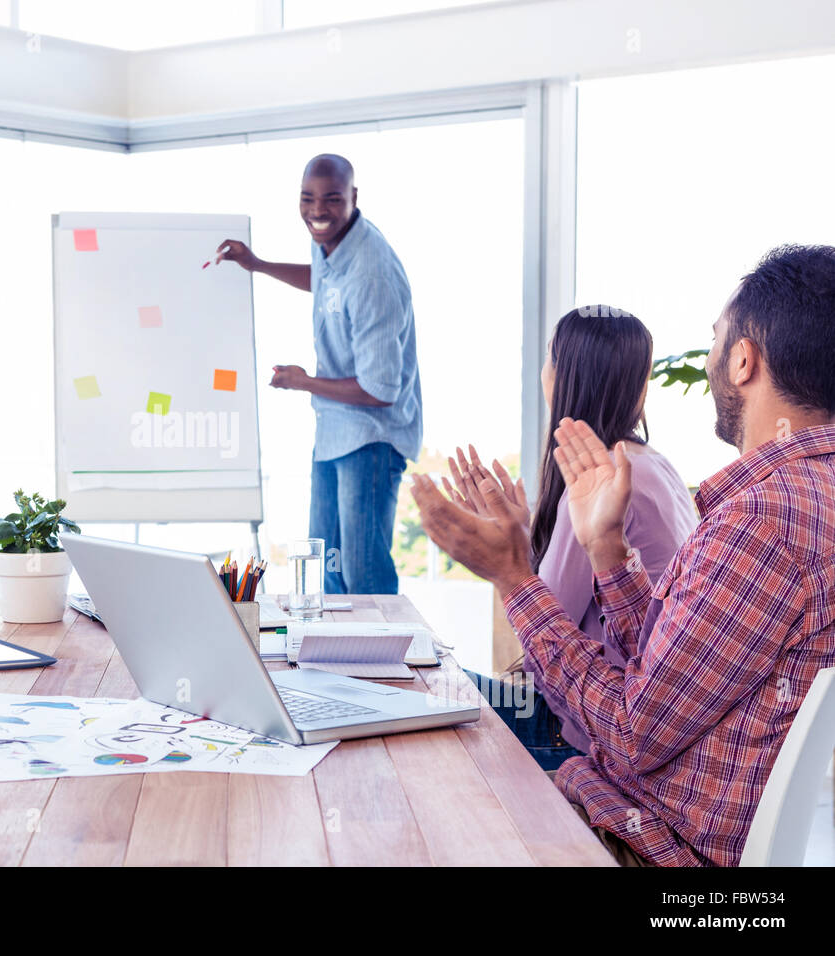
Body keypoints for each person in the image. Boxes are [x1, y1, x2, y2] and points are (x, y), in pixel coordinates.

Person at [411, 244, 835, 866]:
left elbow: (632, 735)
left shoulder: (764, 520)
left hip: (646, 844)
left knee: (407, 778)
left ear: (743, 359)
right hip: (647, 813)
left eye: (715, 340)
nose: (711, 358)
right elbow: (665, 674)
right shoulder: (806, 497)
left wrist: (512, 576)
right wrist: (606, 550)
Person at [443, 307, 697, 771]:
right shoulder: (653, 465)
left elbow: (543, 643)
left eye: (548, 357)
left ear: (563, 376)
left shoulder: (600, 488)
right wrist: (522, 536)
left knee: (428, 688)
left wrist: (506, 559)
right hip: (632, 726)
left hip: (585, 737)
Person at [216, 153, 421, 595]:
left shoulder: (372, 274)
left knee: (363, 577)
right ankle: (334, 643)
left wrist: (301, 381)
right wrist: (258, 265)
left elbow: (381, 389)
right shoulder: (331, 240)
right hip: (334, 429)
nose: (317, 211)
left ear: (353, 197)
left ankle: (379, 644)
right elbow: (327, 281)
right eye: (308, 198)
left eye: (331, 199)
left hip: (370, 439)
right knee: (325, 567)